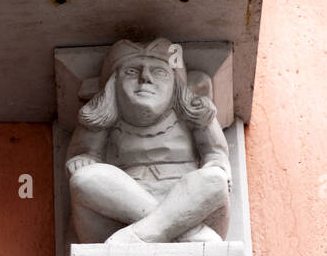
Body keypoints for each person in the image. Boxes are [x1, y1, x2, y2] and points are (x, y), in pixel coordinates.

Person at [66, 38, 230, 243]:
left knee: (213, 179)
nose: (145, 78)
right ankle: (184, 232)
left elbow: (216, 155)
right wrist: (83, 161)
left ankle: (143, 234)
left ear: (176, 84)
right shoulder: (102, 117)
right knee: (85, 178)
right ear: (113, 84)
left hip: (188, 200)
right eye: (132, 71)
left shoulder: (196, 113)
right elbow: (83, 156)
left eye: (159, 72)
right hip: (121, 211)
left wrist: (216, 165)